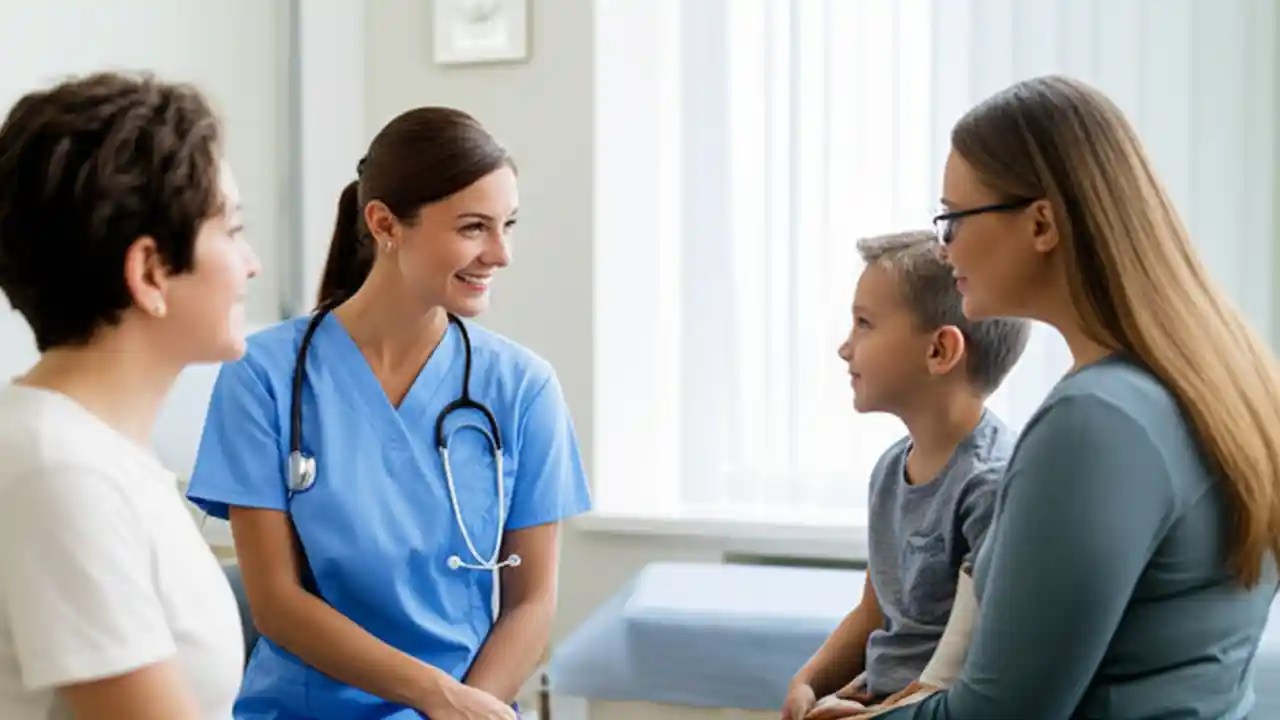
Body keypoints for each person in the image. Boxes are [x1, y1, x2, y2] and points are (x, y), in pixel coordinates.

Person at [869, 74, 1280, 719]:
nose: (943, 248)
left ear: (1041, 223)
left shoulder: (1096, 423)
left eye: (952, 218)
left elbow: (1003, 714)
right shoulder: (1222, 382)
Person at [185, 106, 593, 719]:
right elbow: (275, 601)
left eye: (508, 224)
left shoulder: (522, 388)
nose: (501, 253)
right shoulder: (264, 374)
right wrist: (436, 695)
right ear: (384, 224)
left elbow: (530, 601)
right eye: (474, 227)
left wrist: (465, 709)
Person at [0, 71, 260, 719]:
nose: (250, 262)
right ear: (149, 271)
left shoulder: (98, 457)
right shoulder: (58, 469)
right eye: (232, 230)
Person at [781, 230, 1029, 720]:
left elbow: (970, 664)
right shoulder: (891, 470)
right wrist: (809, 680)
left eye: (864, 324)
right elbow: (875, 612)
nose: (844, 348)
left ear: (939, 351)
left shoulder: (991, 485)